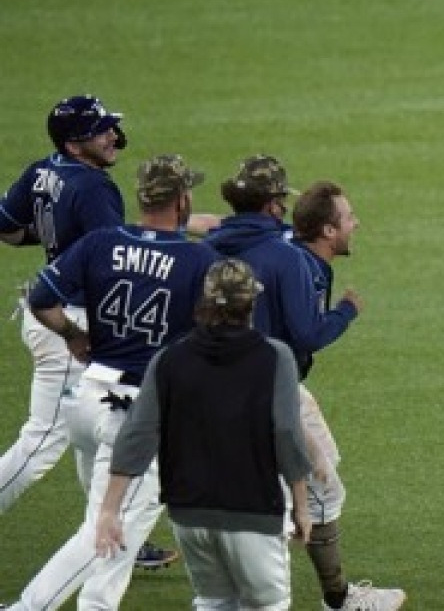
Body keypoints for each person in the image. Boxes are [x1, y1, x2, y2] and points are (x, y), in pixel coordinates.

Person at [9, 155, 220, 610]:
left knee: (115, 526)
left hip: (87, 399)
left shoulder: (101, 241)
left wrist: (73, 335)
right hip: (136, 415)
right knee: (103, 529)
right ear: (182, 200)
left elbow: (41, 299)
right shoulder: (199, 259)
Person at [205, 156, 405, 611]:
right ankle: (329, 598)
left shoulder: (219, 242)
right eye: (349, 218)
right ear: (274, 205)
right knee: (313, 489)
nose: (356, 223)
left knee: (320, 472)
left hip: (222, 381)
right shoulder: (287, 257)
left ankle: (331, 593)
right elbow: (308, 334)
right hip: (266, 390)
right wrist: (346, 311)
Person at [0, 94, 179, 571]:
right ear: (75, 144)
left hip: (55, 311)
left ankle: (110, 534)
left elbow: (7, 228)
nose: (112, 136)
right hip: (68, 323)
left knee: (94, 432)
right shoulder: (95, 188)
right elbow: (115, 259)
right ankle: (109, 533)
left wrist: (53, 234)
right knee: (41, 444)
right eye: (101, 131)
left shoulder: (43, 170)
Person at [95, 258, 313, 610]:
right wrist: (302, 506)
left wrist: (109, 510)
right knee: (267, 604)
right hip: (253, 509)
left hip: (189, 512)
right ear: (251, 303)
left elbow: (137, 434)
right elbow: (286, 433)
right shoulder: (276, 357)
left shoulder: (169, 359)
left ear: (205, 302)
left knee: (213, 602)